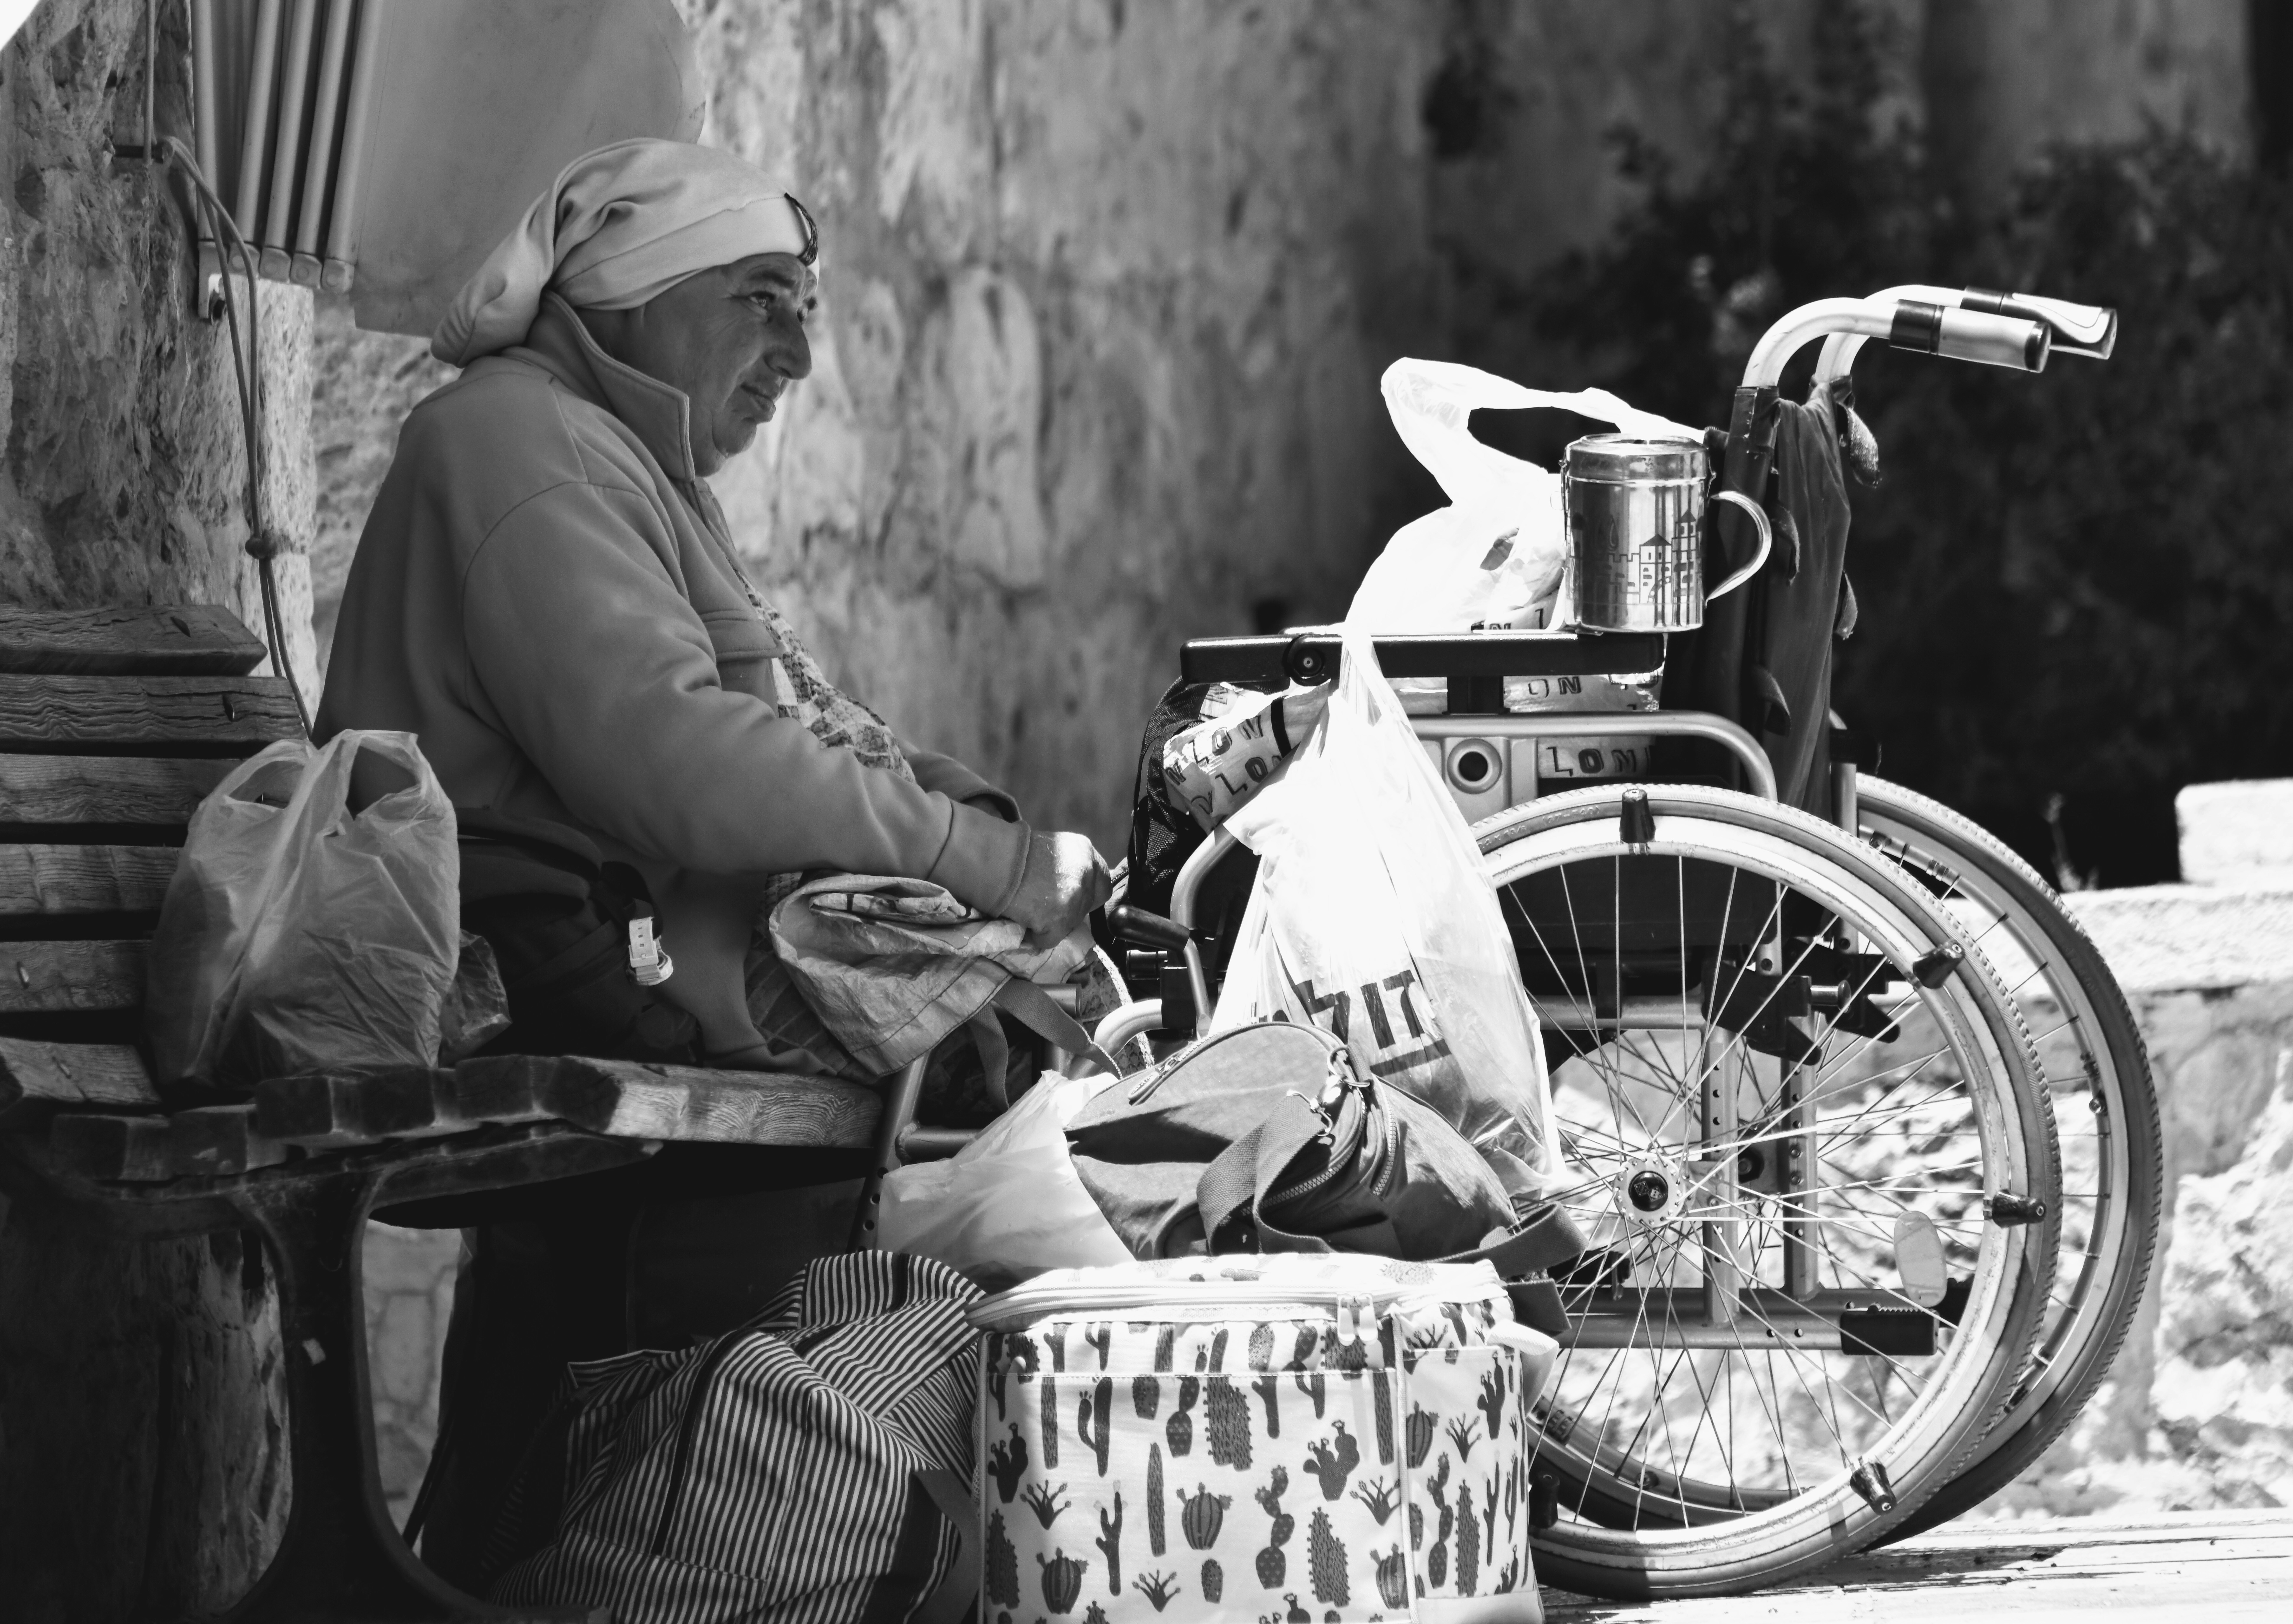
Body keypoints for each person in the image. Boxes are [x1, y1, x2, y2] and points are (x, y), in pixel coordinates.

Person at [317, 137, 1111, 1583]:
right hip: (537, 968)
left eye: (804, 306)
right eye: (759, 299)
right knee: (904, 1122)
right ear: (627, 291)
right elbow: (673, 760)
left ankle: (648, 1530)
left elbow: (786, 716)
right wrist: (964, 855)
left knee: (989, 1068)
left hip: (626, 963)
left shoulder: (621, 459)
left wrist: (960, 813)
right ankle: (669, 1536)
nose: (797, 351)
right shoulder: (513, 442)